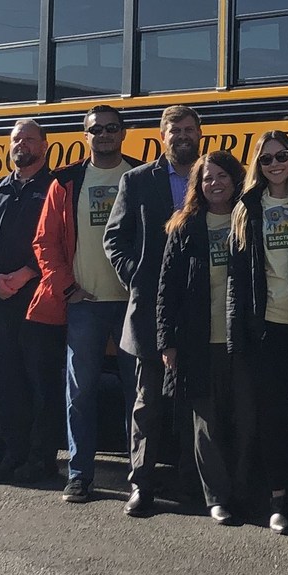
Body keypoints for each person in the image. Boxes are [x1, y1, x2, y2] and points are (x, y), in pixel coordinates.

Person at [104, 104, 205, 517]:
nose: (182, 135)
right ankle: (141, 485)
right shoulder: (137, 180)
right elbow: (115, 238)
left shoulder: (212, 176)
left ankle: (189, 483)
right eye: (174, 130)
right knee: (148, 403)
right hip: (151, 310)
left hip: (200, 308)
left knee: (194, 401)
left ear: (200, 134)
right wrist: (139, 278)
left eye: (189, 129)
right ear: (161, 136)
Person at [32, 105, 137, 503]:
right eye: (97, 130)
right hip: (86, 305)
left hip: (132, 304)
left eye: (112, 128)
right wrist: (66, 288)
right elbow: (45, 242)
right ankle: (79, 475)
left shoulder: (141, 175)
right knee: (81, 393)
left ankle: (139, 476)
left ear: (123, 133)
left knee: (138, 395)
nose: (105, 135)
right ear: (85, 136)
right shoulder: (66, 181)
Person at [155, 151, 254, 524]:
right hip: (197, 340)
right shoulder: (184, 226)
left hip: (241, 339)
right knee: (205, 425)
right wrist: (167, 341)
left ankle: (244, 492)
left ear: (235, 178)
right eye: (207, 178)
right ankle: (216, 497)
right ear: (197, 185)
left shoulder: (248, 219)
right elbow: (167, 288)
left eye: (222, 176)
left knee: (245, 420)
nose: (215, 183)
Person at [0, 119, 62, 485]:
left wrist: (25, 274)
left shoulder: (57, 187)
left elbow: (64, 239)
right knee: (5, 384)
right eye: (17, 139)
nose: (23, 144)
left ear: (45, 145)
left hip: (40, 302)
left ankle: (42, 459)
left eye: (30, 139)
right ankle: (12, 453)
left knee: (42, 385)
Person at [233, 130, 288, 533]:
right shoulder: (247, 208)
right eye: (266, 159)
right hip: (267, 329)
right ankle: (278, 497)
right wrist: (240, 333)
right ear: (258, 166)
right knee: (271, 418)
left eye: (282, 156)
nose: (275, 164)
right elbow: (238, 279)